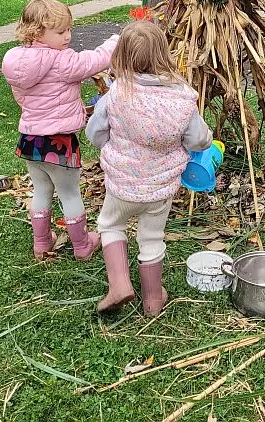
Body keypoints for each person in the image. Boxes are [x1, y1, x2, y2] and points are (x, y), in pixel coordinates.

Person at [86, 21, 213, 317]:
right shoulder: (182, 96)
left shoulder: (116, 94)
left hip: (123, 186)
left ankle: (119, 285)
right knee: (152, 238)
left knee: (110, 225)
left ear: (123, 58)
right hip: (161, 189)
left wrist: (110, 143)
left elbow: (95, 134)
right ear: (163, 54)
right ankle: (153, 300)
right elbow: (200, 139)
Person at [1, 0, 119, 261]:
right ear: (36, 32)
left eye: (69, 29)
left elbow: (20, 97)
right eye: (60, 31)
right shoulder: (62, 61)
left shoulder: (17, 63)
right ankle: (82, 245)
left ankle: (42, 243)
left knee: (41, 190)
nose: (68, 37)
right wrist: (115, 41)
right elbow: (94, 61)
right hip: (59, 142)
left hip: (30, 140)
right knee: (69, 193)